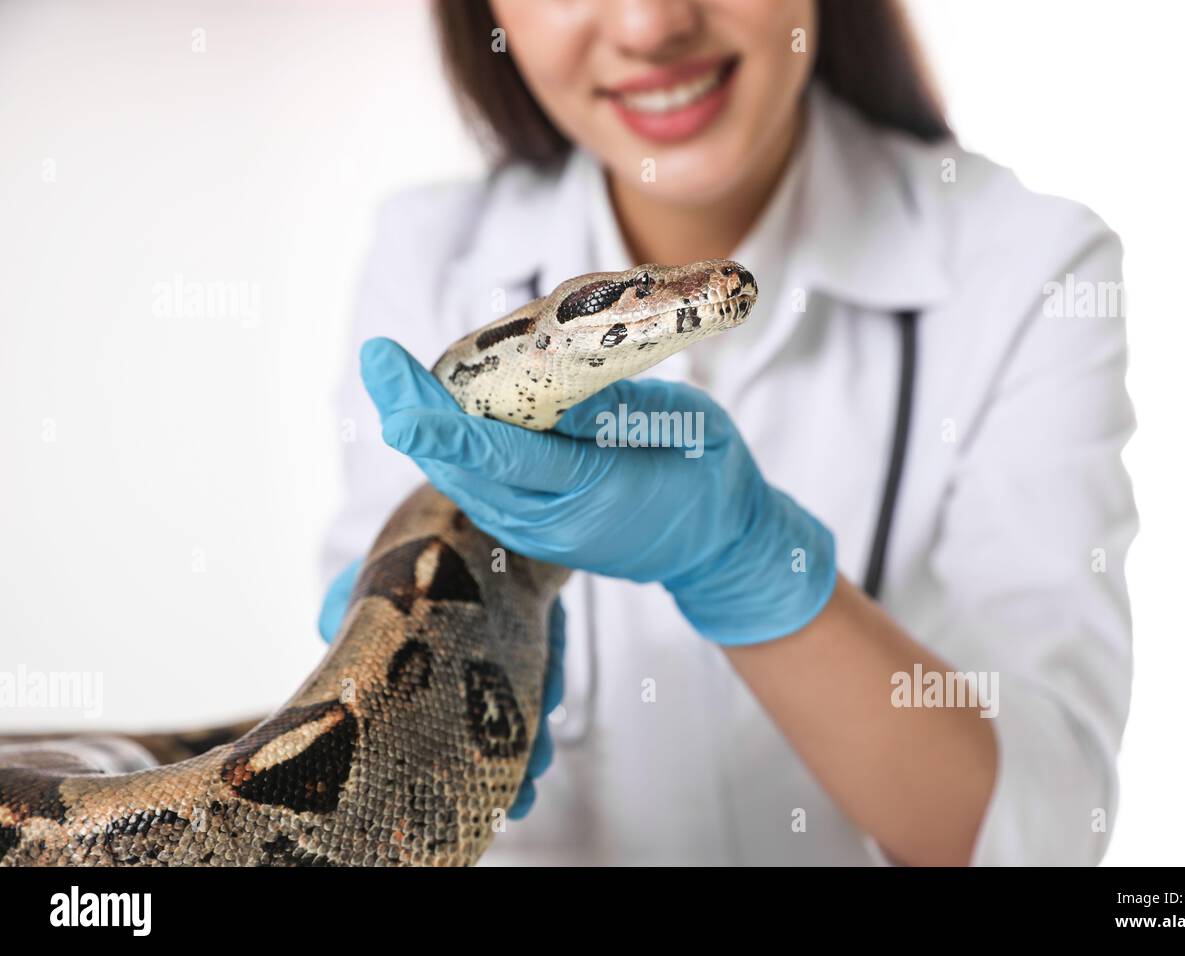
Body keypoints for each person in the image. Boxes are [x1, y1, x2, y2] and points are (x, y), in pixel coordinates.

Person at [318, 0, 1137, 866]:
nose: (650, 25)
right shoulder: (426, 251)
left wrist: (746, 565)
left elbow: (1044, 832)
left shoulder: (1030, 267)